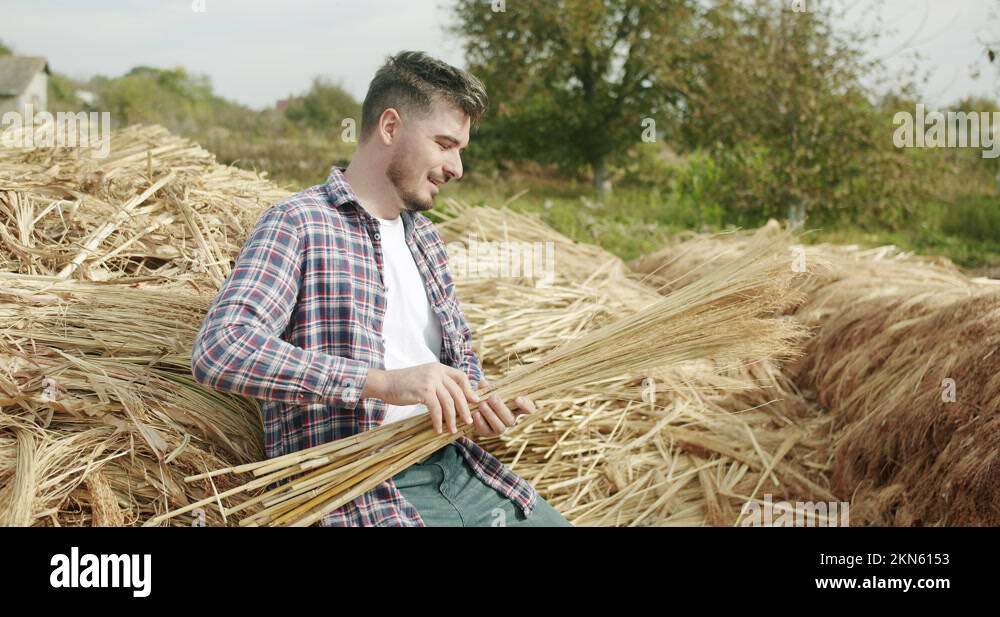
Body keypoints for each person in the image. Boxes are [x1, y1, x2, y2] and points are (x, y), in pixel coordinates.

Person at [191, 50, 572, 527]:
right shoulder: (300, 223)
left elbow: (460, 366)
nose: (456, 168)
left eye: (461, 150)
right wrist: (385, 383)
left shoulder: (427, 240)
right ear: (390, 127)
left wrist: (480, 406)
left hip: (451, 466)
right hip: (358, 487)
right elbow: (221, 349)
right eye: (445, 144)